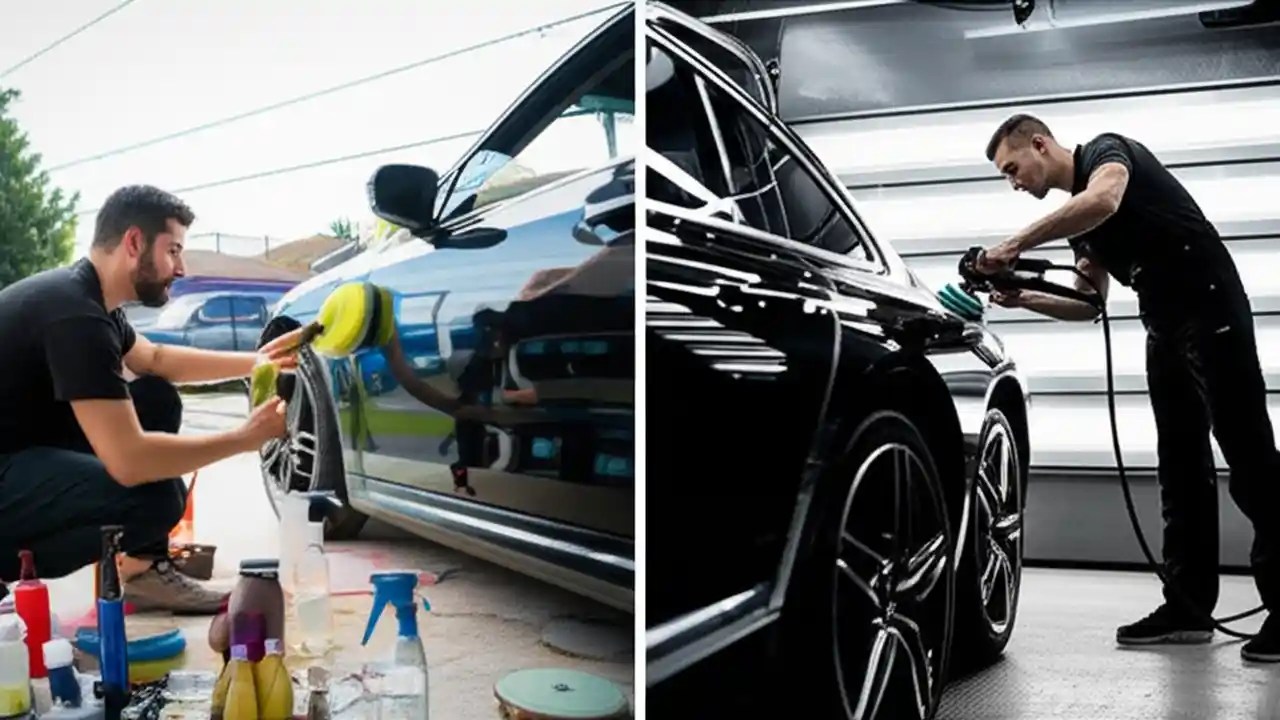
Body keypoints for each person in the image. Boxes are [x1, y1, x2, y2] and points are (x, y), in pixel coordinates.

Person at [977, 114, 1280, 662]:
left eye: (1013, 168)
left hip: (1208, 302)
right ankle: (1188, 609)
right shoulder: (1079, 227)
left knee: (1250, 455)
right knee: (1180, 468)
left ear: (1040, 144)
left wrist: (1015, 243)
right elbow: (1088, 303)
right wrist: (1023, 298)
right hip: (1162, 322)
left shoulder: (1107, 155)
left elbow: (1106, 200)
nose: (1014, 182)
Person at [0, 184, 299, 615]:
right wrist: (244, 437)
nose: (181, 268)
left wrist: (259, 361)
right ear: (135, 242)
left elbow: (157, 358)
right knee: (155, 497)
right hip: (7, 470)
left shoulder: (90, 302)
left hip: (22, 451)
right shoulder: (75, 316)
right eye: (173, 250)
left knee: (156, 397)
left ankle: (142, 573)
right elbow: (130, 461)